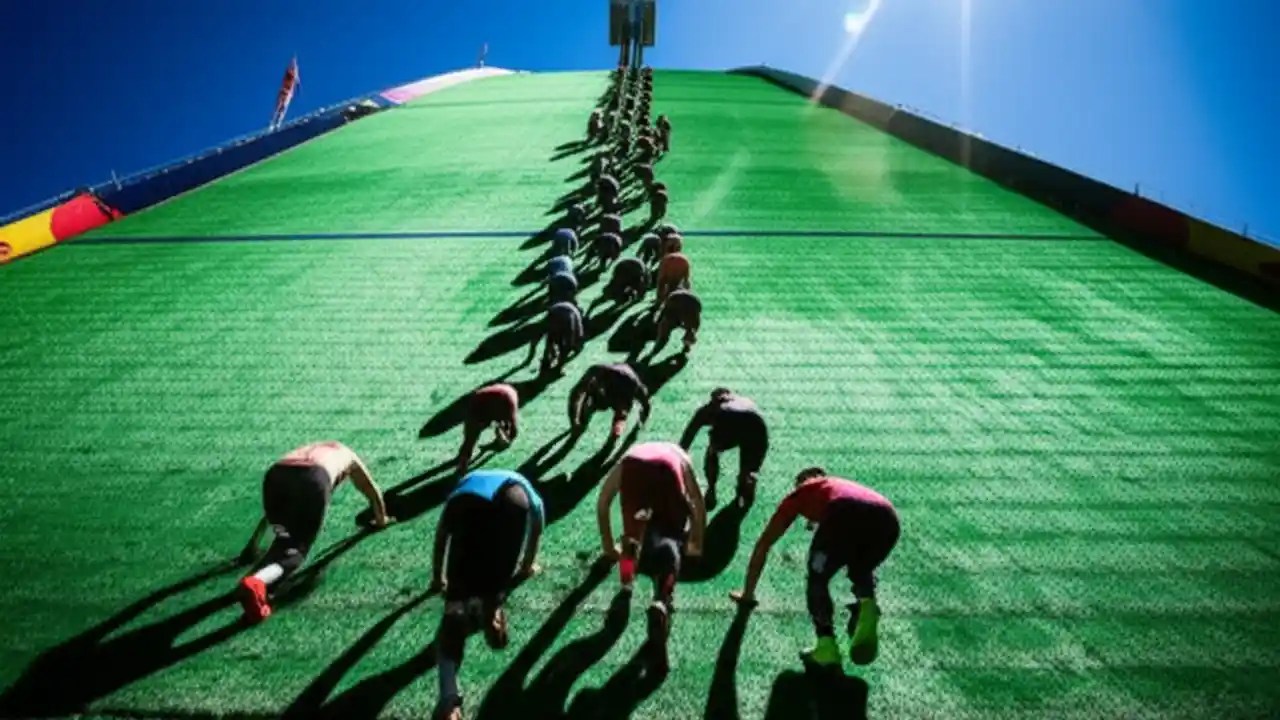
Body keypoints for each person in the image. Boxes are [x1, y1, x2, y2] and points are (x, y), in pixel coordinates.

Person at [731, 468, 900, 669]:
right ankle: (866, 604)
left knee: (817, 577)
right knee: (860, 567)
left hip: (843, 511)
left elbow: (764, 543)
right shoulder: (838, 485)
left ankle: (826, 645)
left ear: (803, 480)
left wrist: (748, 593)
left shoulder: (801, 492)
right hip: (888, 519)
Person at [430, 469, 545, 720]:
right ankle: (491, 609)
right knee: (493, 578)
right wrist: (527, 565)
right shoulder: (528, 490)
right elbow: (536, 527)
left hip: (468, 503)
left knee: (454, 615)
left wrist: (439, 577)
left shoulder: (460, 490)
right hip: (513, 502)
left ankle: (449, 701)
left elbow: (442, 537)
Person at [237, 442, 392, 623]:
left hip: (276, 476)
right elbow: (371, 490)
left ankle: (254, 583)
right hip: (312, 479)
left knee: (284, 538)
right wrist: (382, 520)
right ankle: (257, 582)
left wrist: (253, 543)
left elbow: (269, 515)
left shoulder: (312, 448)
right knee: (295, 551)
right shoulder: (349, 456)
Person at [596, 441, 706, 674]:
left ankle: (627, 585)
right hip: (669, 473)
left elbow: (604, 501)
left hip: (634, 472)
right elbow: (697, 501)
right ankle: (661, 599)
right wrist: (696, 539)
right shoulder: (681, 457)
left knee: (632, 539)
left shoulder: (629, 457)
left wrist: (608, 545)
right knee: (670, 538)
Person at [678, 388, 768, 509]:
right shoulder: (744, 402)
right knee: (749, 469)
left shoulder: (708, 410)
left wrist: (679, 457)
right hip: (758, 426)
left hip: (732, 419)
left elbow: (687, 438)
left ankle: (711, 491)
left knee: (712, 453)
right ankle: (747, 481)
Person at [568, 362, 651, 440]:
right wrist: (575, 421)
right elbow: (575, 394)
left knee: (620, 418)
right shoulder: (595, 373)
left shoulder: (632, 385)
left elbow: (646, 404)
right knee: (588, 397)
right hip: (607, 384)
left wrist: (641, 421)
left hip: (622, 388)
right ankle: (582, 421)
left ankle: (614, 435)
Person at [456, 383, 520, 475]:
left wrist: (506, 438)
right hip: (480, 405)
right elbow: (513, 430)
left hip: (491, 400)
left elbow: (513, 430)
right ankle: (463, 460)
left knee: (470, 439)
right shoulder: (479, 404)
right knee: (470, 439)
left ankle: (463, 459)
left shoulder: (509, 405)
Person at [653, 288, 701, 356]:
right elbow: (664, 312)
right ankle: (661, 341)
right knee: (665, 325)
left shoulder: (693, 312)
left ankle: (685, 345)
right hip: (678, 301)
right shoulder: (673, 302)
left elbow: (663, 312)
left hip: (685, 303)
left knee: (666, 325)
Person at [543, 300, 584, 375]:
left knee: (551, 338)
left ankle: (547, 361)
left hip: (554, 311)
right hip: (565, 317)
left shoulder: (574, 313)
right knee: (565, 347)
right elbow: (571, 338)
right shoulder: (578, 328)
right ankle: (558, 368)